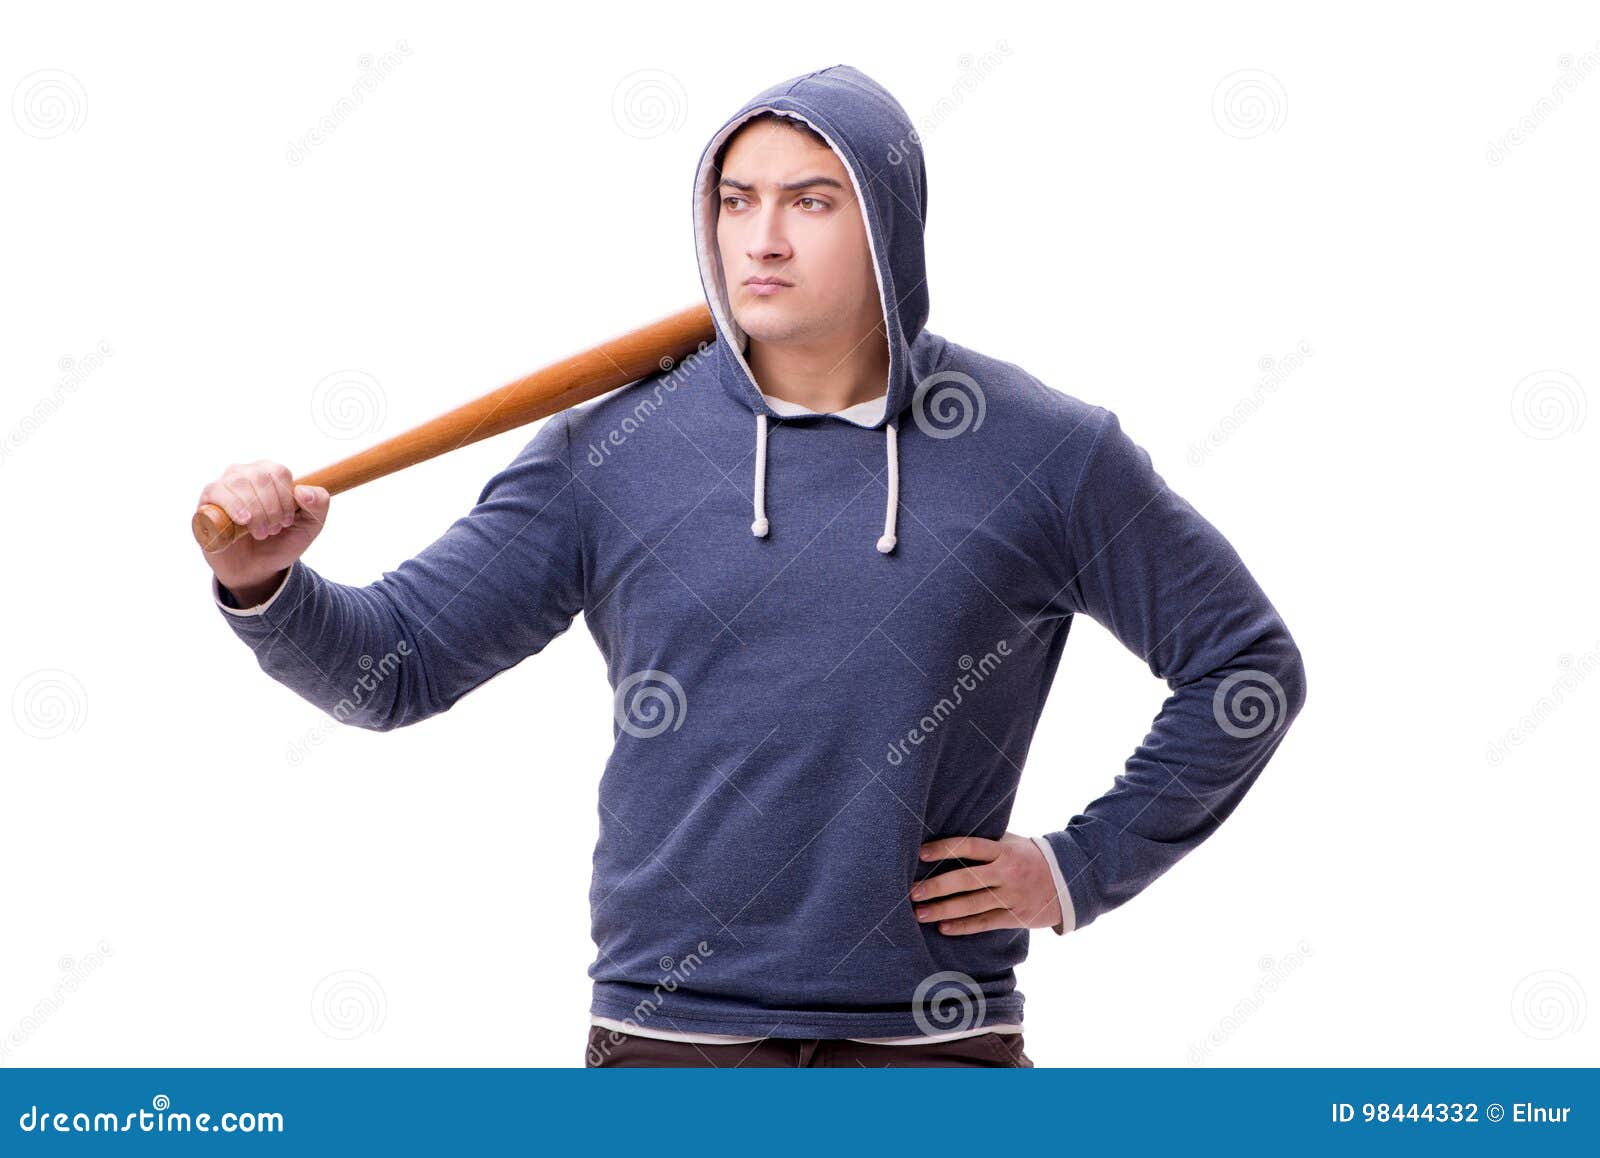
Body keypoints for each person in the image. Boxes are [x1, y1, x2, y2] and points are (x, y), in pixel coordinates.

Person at [197, 63, 1307, 1068]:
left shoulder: (1044, 454)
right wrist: (268, 585)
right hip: (666, 1045)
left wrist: (1076, 870)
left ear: (888, 223)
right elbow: (390, 673)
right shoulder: (612, 453)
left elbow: (1244, 670)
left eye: (809, 201)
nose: (761, 239)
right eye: (737, 201)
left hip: (938, 1046)